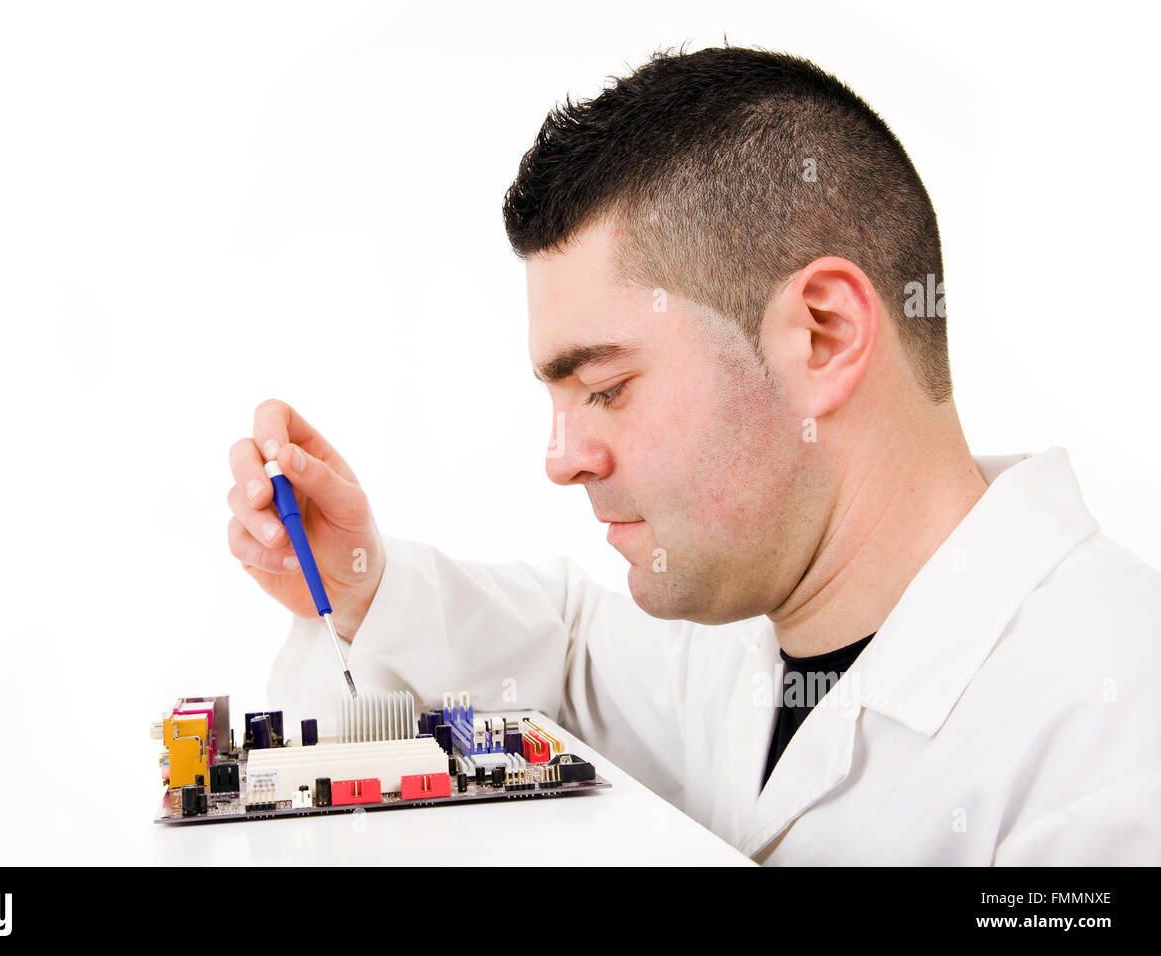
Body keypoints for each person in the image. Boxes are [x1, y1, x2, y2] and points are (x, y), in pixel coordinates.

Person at [225, 45, 1161, 864]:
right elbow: (570, 647)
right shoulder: (734, 634)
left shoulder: (1118, 729)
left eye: (606, 387)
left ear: (823, 336)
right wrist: (360, 581)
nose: (564, 460)